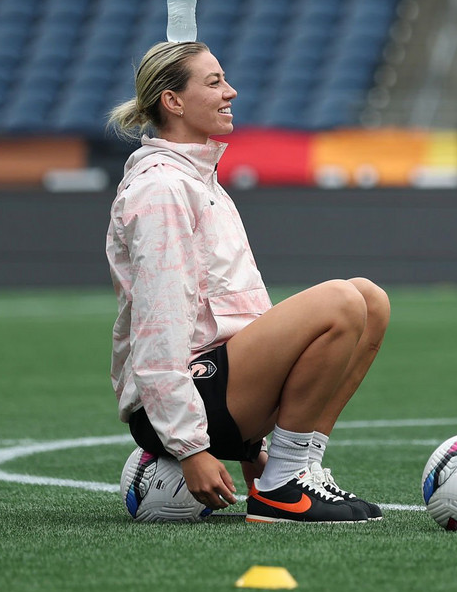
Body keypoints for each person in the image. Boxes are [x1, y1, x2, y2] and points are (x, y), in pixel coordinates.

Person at [106, 41, 391, 524]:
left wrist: (248, 448)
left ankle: (298, 469)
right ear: (172, 102)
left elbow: (237, 319)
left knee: (370, 300)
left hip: (223, 389)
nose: (230, 92)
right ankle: (281, 489)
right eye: (214, 82)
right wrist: (192, 447)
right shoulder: (162, 189)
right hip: (181, 404)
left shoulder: (200, 181)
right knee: (341, 301)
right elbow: (160, 330)